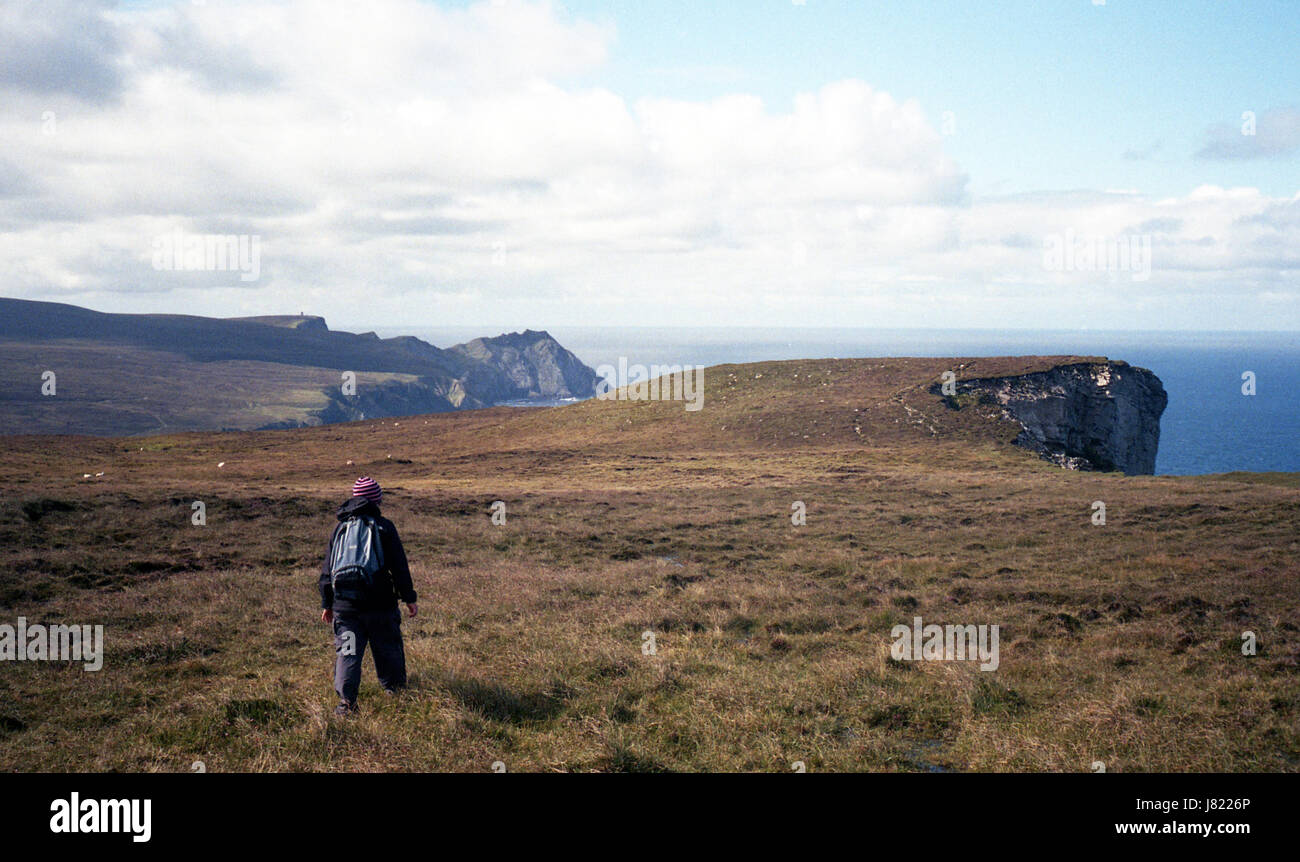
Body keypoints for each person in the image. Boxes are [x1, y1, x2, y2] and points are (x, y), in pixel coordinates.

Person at [319, 477, 417, 715]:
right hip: (380, 607)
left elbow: (327, 570)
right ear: (377, 500)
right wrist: (409, 597)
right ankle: (395, 691)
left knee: (349, 652)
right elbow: (399, 566)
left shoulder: (339, 528)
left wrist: (327, 603)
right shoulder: (384, 527)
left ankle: (346, 704)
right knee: (387, 647)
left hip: (347, 609)